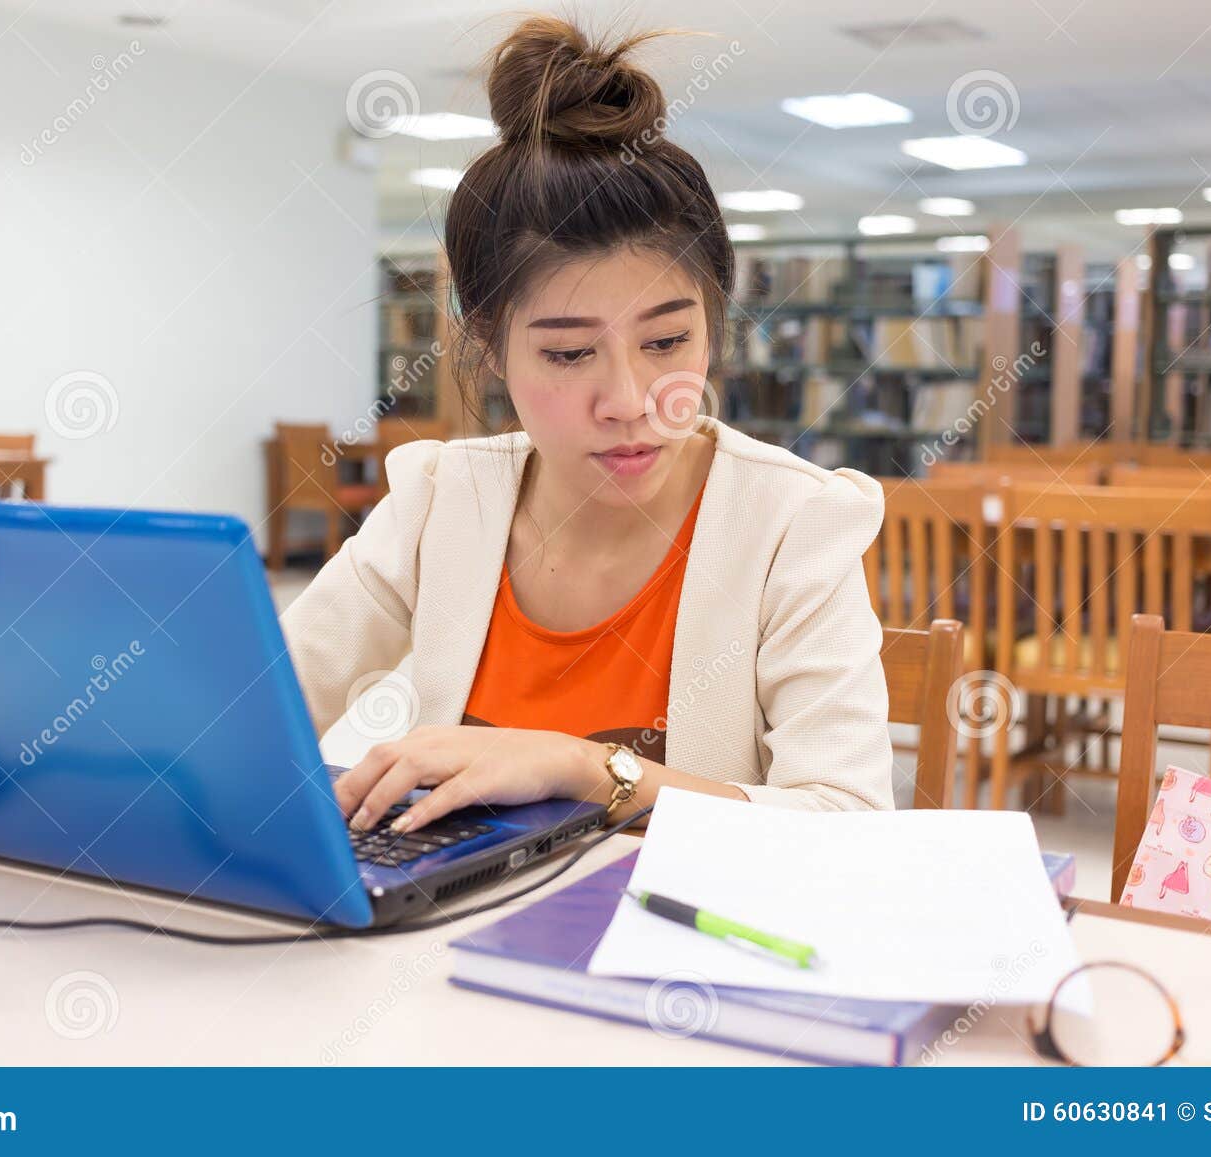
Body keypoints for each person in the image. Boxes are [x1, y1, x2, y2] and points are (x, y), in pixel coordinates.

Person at [281, 15, 892, 834]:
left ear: (714, 322)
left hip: (679, 951)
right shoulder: (442, 499)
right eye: (570, 354)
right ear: (490, 346)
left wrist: (584, 767)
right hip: (447, 941)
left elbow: (850, 820)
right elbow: (255, 710)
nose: (631, 399)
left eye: (668, 341)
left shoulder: (790, 524)